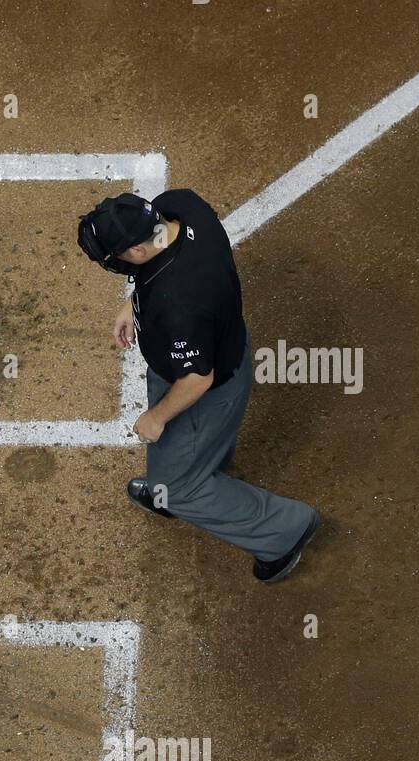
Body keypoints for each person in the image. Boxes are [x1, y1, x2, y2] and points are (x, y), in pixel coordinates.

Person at [78, 191, 320, 583]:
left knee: (178, 487)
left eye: (117, 256)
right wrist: (135, 301)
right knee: (184, 452)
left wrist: (156, 417)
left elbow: (197, 378)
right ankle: (179, 477)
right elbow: (158, 266)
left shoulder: (179, 304)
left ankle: (284, 531)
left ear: (138, 250)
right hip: (222, 343)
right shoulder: (182, 207)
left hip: (204, 387)